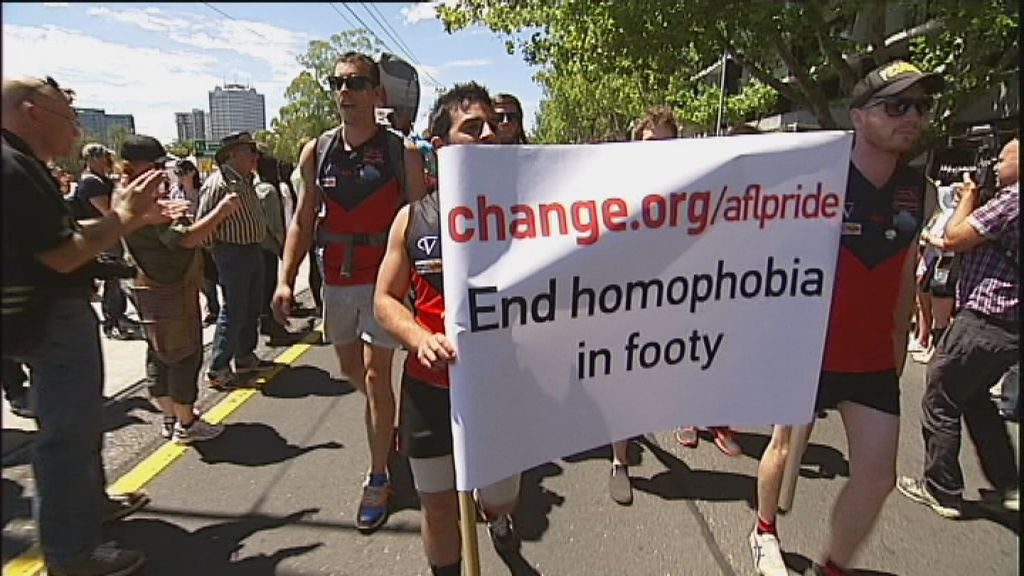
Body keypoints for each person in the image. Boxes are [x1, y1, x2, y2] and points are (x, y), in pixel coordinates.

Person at [749, 60, 942, 576]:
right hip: (809, 349)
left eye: (920, 106)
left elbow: (904, 276)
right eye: (896, 105)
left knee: (878, 478)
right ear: (858, 117)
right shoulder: (816, 180)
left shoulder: (920, 191)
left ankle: (831, 567)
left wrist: (899, 347)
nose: (912, 117)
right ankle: (764, 530)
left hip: (872, 358)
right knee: (784, 449)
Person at [2, 75, 188, 576]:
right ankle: (72, 554)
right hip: (50, 317)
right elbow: (62, 254)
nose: (77, 128)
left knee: (79, 426)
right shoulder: (13, 166)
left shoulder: (21, 164)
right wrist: (124, 217)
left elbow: (57, 232)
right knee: (66, 435)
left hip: (45, 317)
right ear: (31, 112)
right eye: (68, 115)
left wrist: (132, 221)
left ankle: (89, 509)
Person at [272, 51, 426, 532]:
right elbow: (302, 218)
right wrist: (284, 277)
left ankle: (379, 475)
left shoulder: (404, 152)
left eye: (357, 83)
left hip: (385, 282)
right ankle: (387, 421)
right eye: (337, 83)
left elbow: (424, 220)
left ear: (377, 93)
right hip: (334, 281)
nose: (345, 92)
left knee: (378, 379)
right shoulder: (316, 151)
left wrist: (425, 286)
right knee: (351, 371)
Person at [375, 81, 522, 576]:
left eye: (492, 127)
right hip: (429, 389)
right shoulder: (411, 220)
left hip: (500, 386)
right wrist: (419, 339)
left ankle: (496, 517)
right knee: (437, 506)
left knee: (501, 498)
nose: (486, 136)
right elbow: (384, 301)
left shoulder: (527, 213)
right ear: (440, 146)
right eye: (471, 128)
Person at [897, 138, 1019, 517]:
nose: (995, 166)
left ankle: (942, 488)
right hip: (1010, 325)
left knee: (941, 393)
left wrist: (969, 194)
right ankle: (1008, 483)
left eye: (1001, 159)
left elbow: (953, 237)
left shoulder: (1012, 200)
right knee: (975, 397)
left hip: (985, 317)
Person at [120, 135, 240, 444]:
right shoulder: (144, 201)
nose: (163, 172)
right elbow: (185, 238)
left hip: (148, 285)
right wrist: (221, 212)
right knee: (183, 354)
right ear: (133, 167)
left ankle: (172, 416)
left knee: (159, 352)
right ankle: (186, 424)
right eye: (157, 166)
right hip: (170, 286)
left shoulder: (123, 196)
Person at [196, 131, 274, 389]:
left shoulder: (247, 180)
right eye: (249, 151)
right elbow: (202, 224)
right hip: (232, 253)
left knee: (252, 307)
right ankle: (218, 367)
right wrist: (217, 253)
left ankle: (244, 356)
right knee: (234, 309)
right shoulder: (218, 184)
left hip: (252, 249)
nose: (254, 156)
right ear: (232, 155)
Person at [77, 141, 138, 340]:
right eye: (105, 157)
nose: (109, 160)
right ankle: (112, 322)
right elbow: (108, 211)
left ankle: (119, 315)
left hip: (110, 233)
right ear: (94, 158)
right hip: (104, 236)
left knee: (118, 277)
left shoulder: (101, 179)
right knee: (113, 278)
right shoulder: (91, 182)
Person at [173, 159, 221, 324]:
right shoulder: (175, 193)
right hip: (188, 239)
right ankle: (213, 307)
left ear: (192, 172)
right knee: (201, 278)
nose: (179, 177)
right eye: (176, 174)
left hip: (206, 239)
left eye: (181, 173)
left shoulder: (202, 191)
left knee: (214, 273)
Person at [254, 151, 292, 341]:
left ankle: (265, 325)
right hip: (269, 247)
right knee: (270, 287)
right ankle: (275, 328)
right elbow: (275, 225)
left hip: (255, 245)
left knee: (262, 289)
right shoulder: (269, 191)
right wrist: (284, 247)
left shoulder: (254, 187)